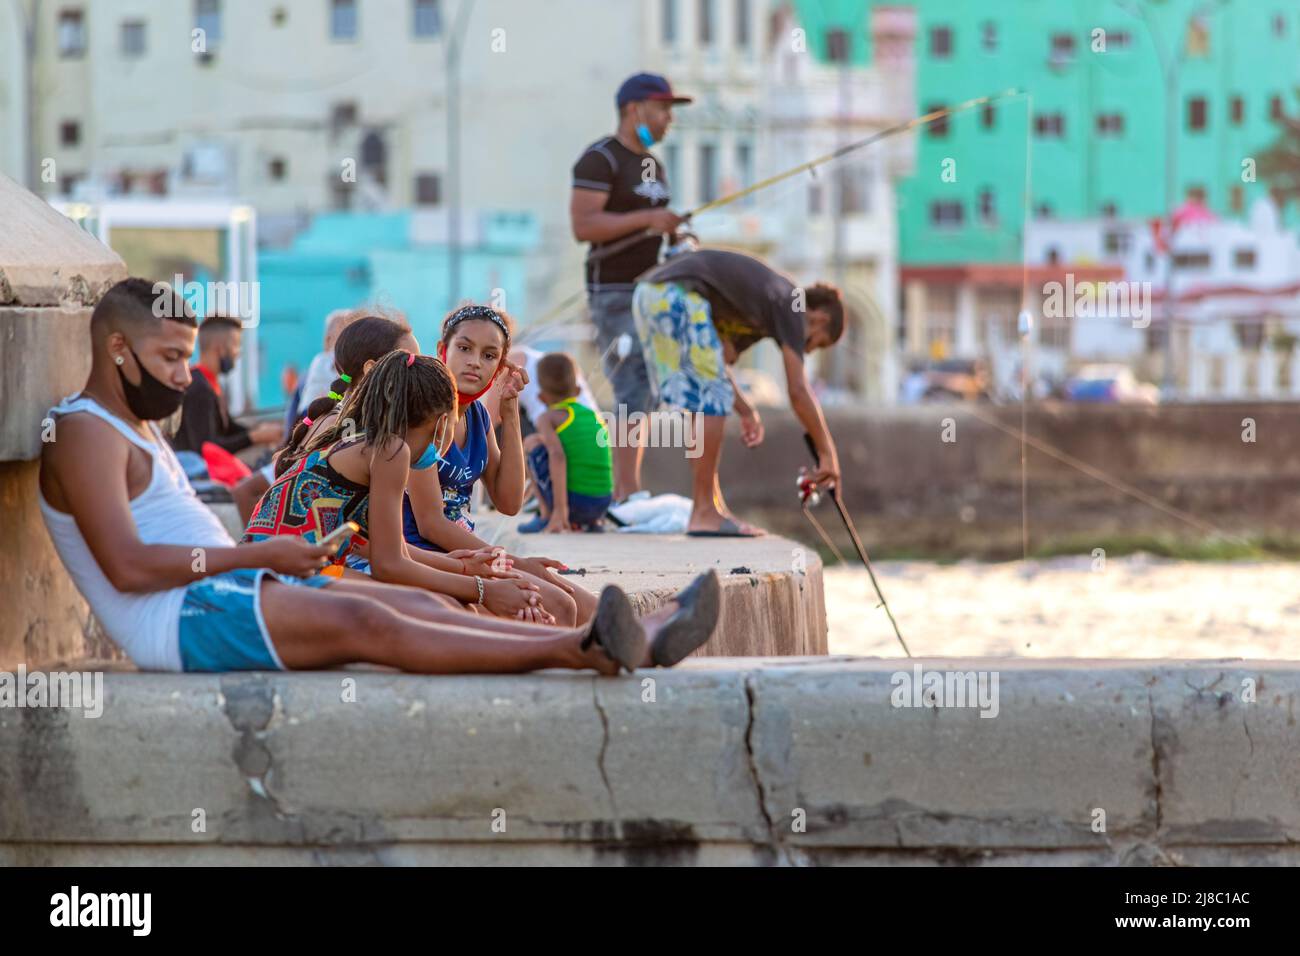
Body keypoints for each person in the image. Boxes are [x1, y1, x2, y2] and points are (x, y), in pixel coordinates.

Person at [37, 278, 717, 675]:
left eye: (188, 358)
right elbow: (126, 568)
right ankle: (584, 649)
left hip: (226, 588)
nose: (187, 375)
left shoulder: (131, 426)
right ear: (118, 348)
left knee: (414, 606)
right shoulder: (82, 432)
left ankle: (606, 640)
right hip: (180, 620)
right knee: (371, 617)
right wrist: (260, 551)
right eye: (171, 358)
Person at [404, 304, 600, 626]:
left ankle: (651, 648)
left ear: (500, 366)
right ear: (443, 350)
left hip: (474, 556)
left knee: (590, 606)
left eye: (489, 355)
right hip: (430, 557)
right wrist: (513, 563)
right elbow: (431, 524)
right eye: (464, 348)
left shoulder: (478, 416)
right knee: (559, 606)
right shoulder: (423, 413)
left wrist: (509, 413)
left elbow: (509, 502)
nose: (474, 362)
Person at [632, 248, 846, 537]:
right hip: (676, 294)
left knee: (701, 398)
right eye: (818, 344)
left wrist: (745, 409)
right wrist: (827, 453)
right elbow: (797, 390)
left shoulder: (760, 315)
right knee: (712, 398)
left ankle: (710, 507)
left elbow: (719, 360)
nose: (808, 350)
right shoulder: (793, 303)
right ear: (819, 319)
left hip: (650, 295)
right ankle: (705, 513)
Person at [570, 72, 691, 503]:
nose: (667, 121)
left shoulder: (654, 166)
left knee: (649, 387)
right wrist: (648, 220)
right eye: (661, 110)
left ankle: (625, 492)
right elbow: (583, 225)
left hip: (650, 292)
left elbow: (651, 224)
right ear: (633, 110)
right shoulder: (599, 159)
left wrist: (672, 233)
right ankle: (624, 495)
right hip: (614, 292)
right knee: (632, 384)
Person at [518, 352, 614, 534]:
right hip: (602, 504)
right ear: (578, 391)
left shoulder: (547, 418)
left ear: (541, 397)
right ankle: (591, 522)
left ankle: (546, 516)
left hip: (575, 504)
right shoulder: (592, 415)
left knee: (532, 443)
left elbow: (557, 456)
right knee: (547, 443)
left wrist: (561, 510)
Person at [170, 315, 282, 456]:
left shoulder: (209, 382)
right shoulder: (199, 388)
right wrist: (255, 437)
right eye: (236, 345)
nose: (238, 353)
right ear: (220, 349)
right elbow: (206, 447)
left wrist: (259, 430)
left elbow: (228, 427)